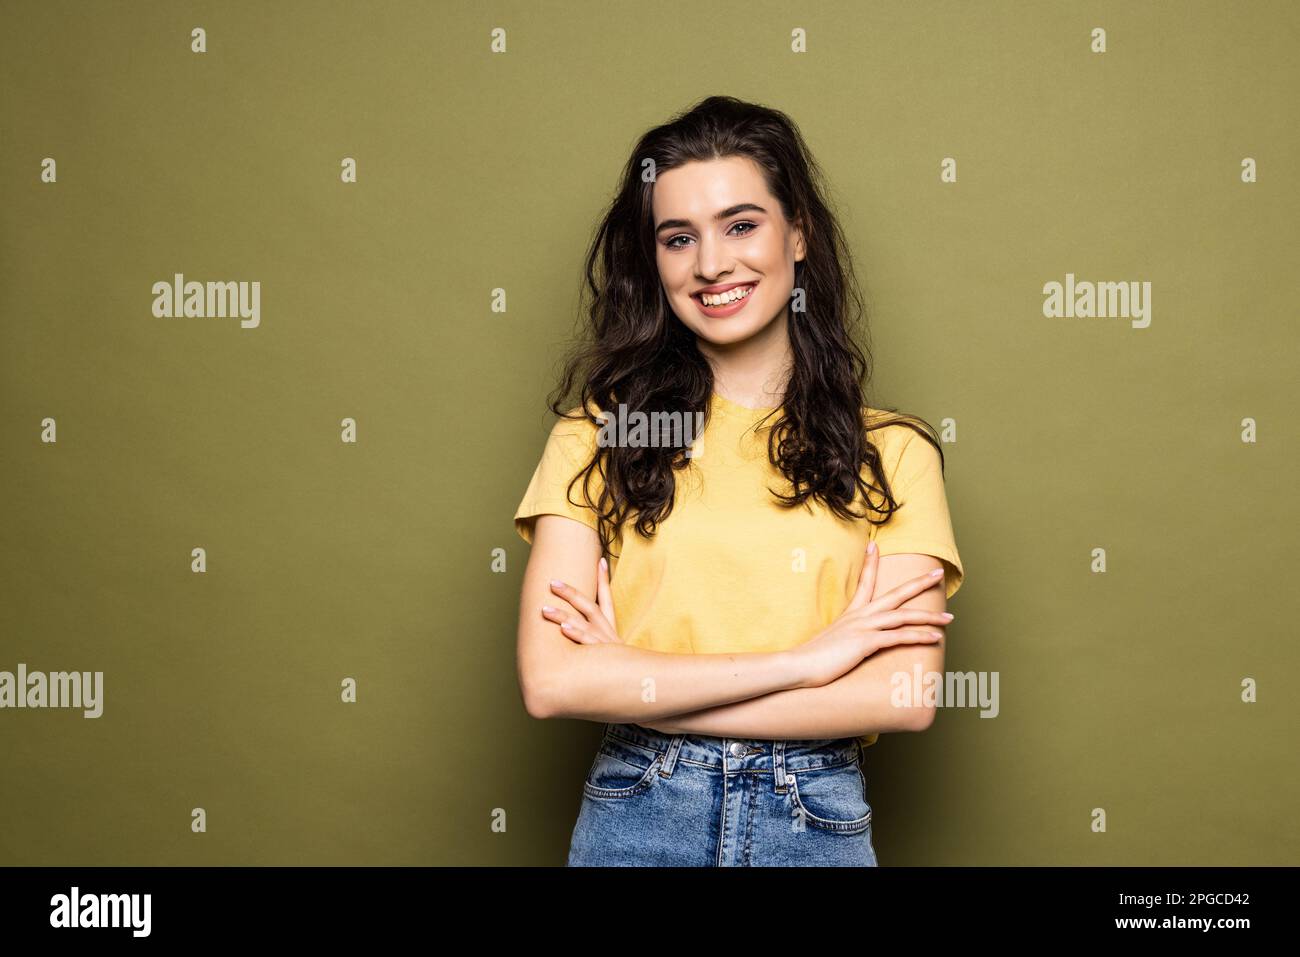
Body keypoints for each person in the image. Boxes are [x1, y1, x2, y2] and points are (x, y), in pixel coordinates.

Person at [512, 95, 964, 866]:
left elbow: (904, 697)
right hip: (636, 812)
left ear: (799, 233)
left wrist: (635, 679)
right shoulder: (595, 438)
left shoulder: (895, 452)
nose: (712, 264)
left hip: (814, 820)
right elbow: (553, 682)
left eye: (742, 225)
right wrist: (808, 662)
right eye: (678, 237)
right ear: (653, 259)